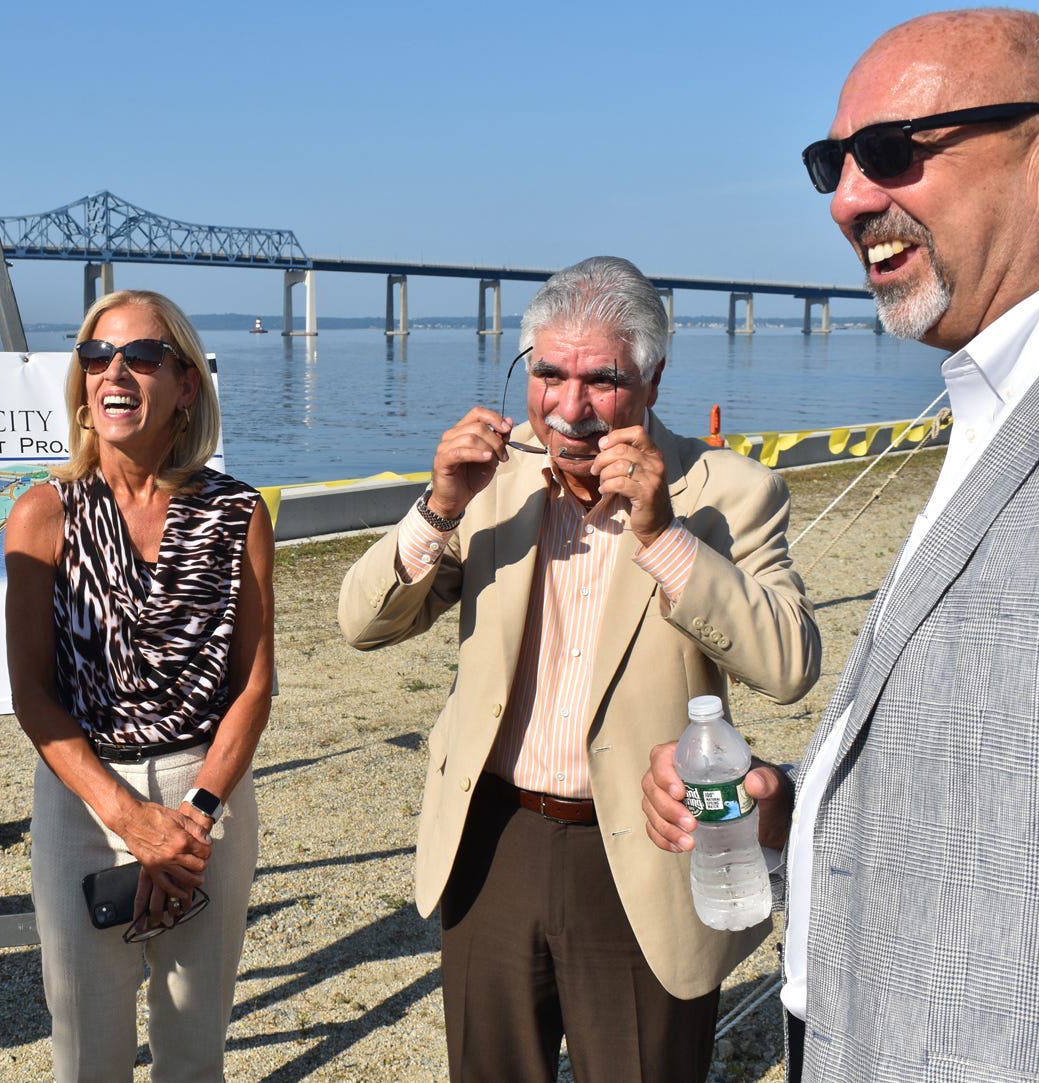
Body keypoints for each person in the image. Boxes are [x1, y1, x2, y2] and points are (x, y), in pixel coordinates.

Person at [642, 9, 1039, 1081]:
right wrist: (795, 805)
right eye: (829, 163)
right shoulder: (987, 405)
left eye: (890, 154)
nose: (845, 201)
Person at [339, 255, 820, 1083]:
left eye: (601, 379)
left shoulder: (731, 491)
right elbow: (362, 622)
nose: (569, 407)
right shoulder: (493, 480)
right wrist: (441, 504)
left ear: (653, 379)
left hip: (645, 846)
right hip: (492, 837)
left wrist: (664, 534)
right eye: (549, 374)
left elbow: (788, 664)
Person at [5, 289, 274, 1081]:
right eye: (96, 355)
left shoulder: (238, 513)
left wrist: (191, 818)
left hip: (206, 797)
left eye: (141, 355)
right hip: (85, 796)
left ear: (185, 384)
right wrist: (128, 817)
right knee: (88, 1052)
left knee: (195, 1052)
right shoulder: (43, 514)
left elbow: (253, 684)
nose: (113, 370)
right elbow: (32, 692)